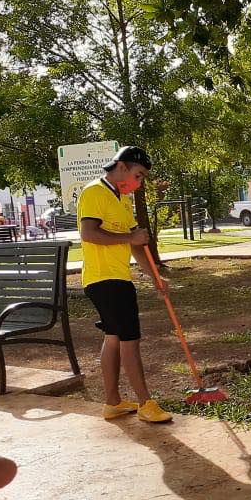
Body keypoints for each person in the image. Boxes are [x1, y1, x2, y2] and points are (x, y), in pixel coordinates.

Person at [78, 145, 172, 423]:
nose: (139, 183)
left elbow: (135, 246)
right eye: (139, 175)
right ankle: (146, 403)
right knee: (130, 340)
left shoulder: (122, 199)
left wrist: (156, 277)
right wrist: (129, 239)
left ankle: (113, 403)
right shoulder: (95, 192)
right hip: (104, 279)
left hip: (118, 277)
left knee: (115, 337)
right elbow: (89, 233)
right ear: (122, 167)